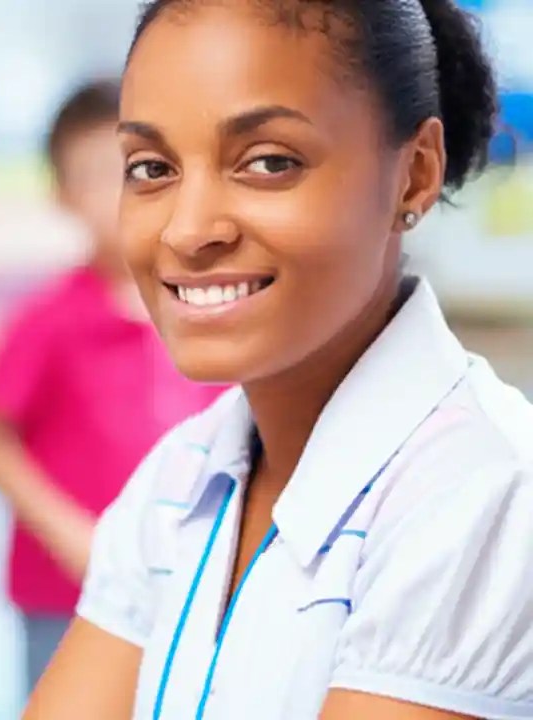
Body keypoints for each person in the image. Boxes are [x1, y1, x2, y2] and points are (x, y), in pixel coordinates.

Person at [28, 1, 533, 719]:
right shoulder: (179, 480)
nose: (188, 231)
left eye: (269, 162)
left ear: (415, 174)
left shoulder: (486, 498)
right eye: (151, 168)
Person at [0, 79, 222, 689]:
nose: (121, 194)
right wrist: (69, 533)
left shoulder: (211, 306)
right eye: (97, 176)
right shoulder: (45, 320)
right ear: (61, 194)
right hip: (69, 595)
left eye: (141, 170)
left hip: (187, 588)